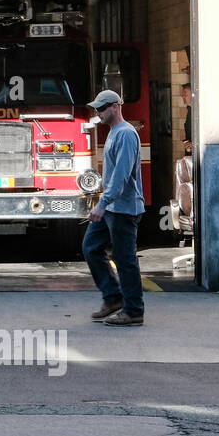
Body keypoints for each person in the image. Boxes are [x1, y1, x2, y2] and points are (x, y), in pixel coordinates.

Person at [84, 89, 146, 327]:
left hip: (123, 209)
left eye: (101, 108)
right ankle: (113, 299)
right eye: (96, 108)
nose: (97, 112)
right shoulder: (113, 133)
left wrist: (102, 204)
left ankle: (133, 310)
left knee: (124, 259)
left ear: (115, 107)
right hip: (113, 208)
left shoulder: (126, 135)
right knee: (91, 247)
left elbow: (120, 176)